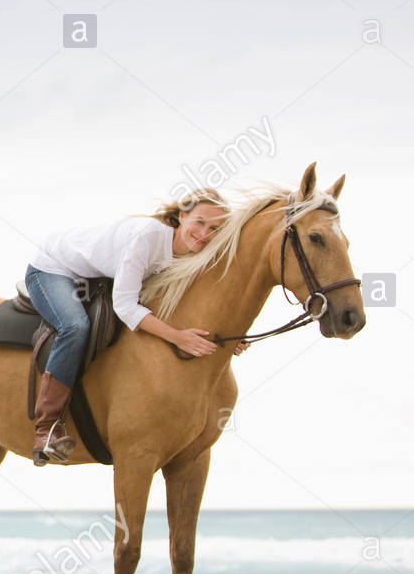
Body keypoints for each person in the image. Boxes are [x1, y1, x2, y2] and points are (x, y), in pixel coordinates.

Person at [24, 189, 250, 466]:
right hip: (55, 267)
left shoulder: (195, 255)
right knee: (75, 326)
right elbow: (125, 306)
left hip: (98, 274)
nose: (204, 233)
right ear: (181, 216)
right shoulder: (148, 237)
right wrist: (177, 337)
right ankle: (46, 429)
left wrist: (228, 338)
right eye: (200, 222)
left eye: (215, 228)